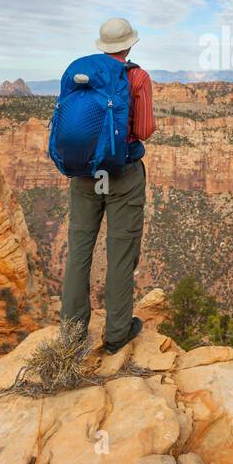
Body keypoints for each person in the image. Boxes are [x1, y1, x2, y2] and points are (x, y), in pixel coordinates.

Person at [60, 17, 156, 353]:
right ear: (130, 44)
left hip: (86, 174)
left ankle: (71, 336)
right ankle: (117, 334)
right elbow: (143, 130)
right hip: (123, 174)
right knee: (120, 253)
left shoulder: (81, 74)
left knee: (79, 253)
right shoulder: (137, 76)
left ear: (102, 44)